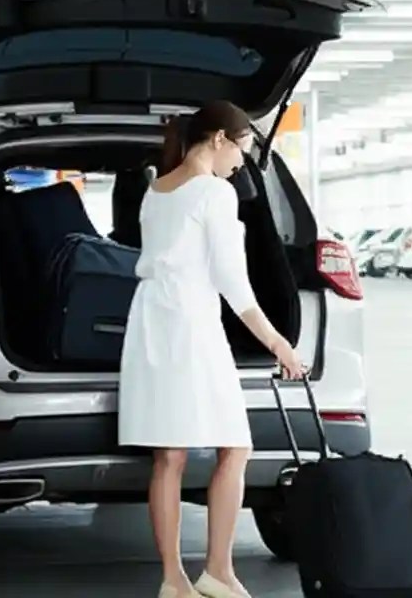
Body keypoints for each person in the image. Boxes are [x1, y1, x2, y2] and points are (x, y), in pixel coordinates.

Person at [118, 100, 306, 598]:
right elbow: (233, 284)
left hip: (151, 323)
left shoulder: (155, 189)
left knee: (169, 456)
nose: (241, 162)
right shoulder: (214, 193)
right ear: (220, 138)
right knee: (235, 446)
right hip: (192, 327)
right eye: (242, 149)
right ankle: (218, 572)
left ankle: (173, 580)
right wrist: (278, 343)